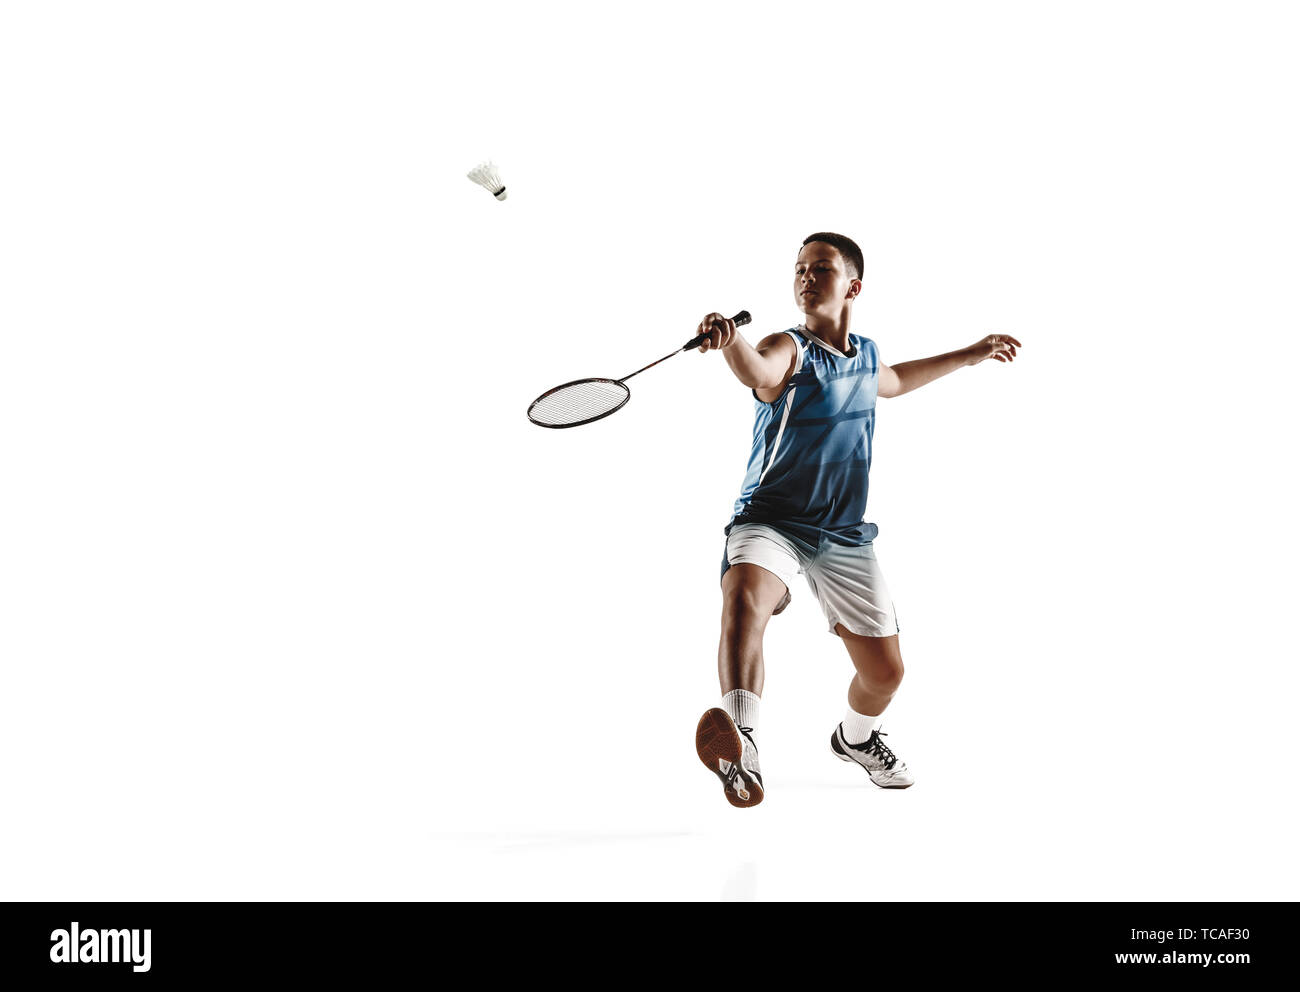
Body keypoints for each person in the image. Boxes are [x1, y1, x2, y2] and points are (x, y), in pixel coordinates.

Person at [694, 232, 1021, 807]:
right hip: (771, 520)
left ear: (853, 285)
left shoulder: (866, 355)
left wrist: (971, 353)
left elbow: (892, 381)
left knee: (886, 675)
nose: (805, 277)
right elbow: (757, 369)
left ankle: (856, 738)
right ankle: (742, 738)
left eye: (820, 268)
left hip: (842, 533)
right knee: (744, 594)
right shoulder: (787, 347)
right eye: (798, 268)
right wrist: (730, 341)